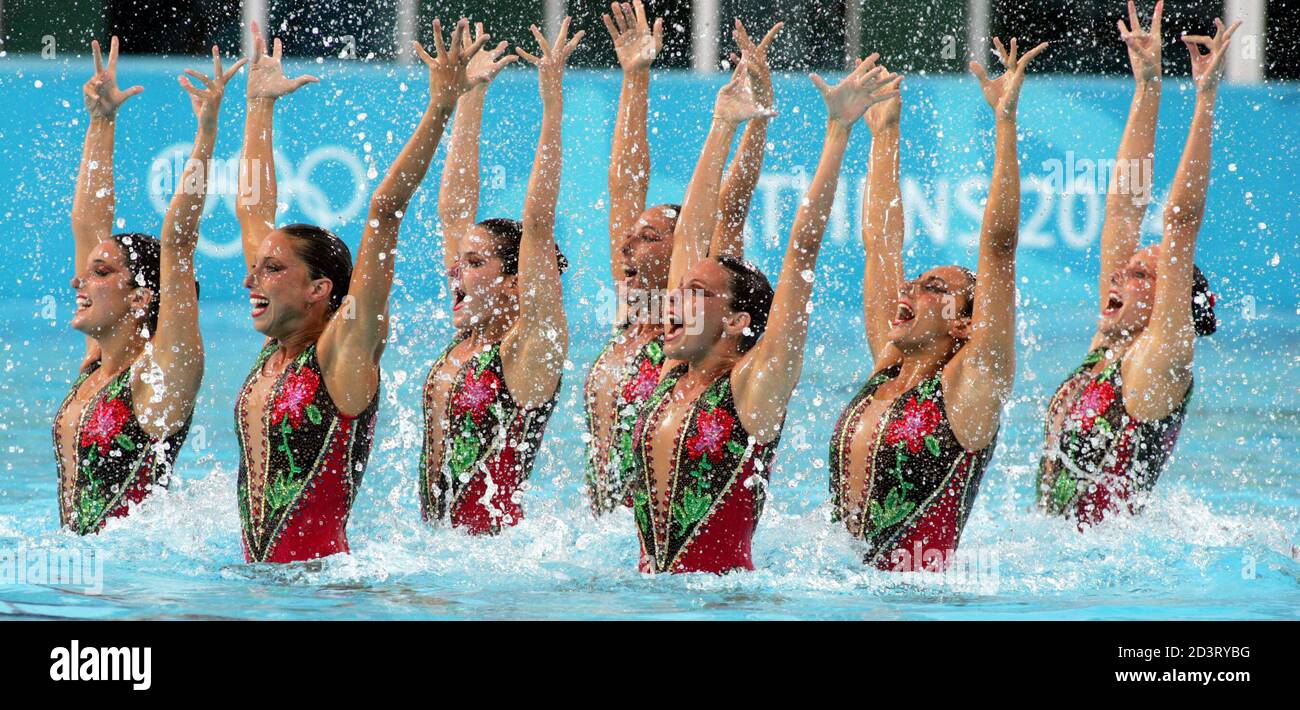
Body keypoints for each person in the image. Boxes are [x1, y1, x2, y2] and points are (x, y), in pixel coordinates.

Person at [625, 54, 901, 574]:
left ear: (735, 322)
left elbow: (801, 252)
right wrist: (723, 125)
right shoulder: (670, 373)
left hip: (726, 606)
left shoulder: (754, 386)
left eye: (697, 294)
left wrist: (838, 131)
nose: (674, 302)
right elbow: (690, 234)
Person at [234, 19, 483, 562]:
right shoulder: (279, 350)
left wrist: (442, 105)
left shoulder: (343, 348)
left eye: (272, 270)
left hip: (322, 595)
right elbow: (252, 210)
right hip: (263, 590)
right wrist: (259, 105)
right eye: (257, 268)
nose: (251, 280)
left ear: (319, 290)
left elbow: (385, 210)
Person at [827, 38, 1047, 571]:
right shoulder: (888, 363)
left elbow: (999, 248)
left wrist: (1005, 124)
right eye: (914, 284)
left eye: (935, 289)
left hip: (925, 602)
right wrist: (884, 134)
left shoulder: (972, 384)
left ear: (966, 324)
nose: (909, 291)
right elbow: (881, 244)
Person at [583, 4, 782, 516]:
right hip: (607, 534)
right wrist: (634, 77)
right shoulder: (634, 310)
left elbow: (729, 205)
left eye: (647, 237)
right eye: (628, 236)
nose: (625, 245)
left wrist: (755, 123)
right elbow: (623, 179)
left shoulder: (692, 326)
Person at [1038, 6, 1230, 528]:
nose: (1120, 275)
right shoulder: (1110, 343)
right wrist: (1148, 86)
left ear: (1170, 302)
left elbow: (1182, 223)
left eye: (1142, 275)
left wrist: (1205, 99)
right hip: (1060, 559)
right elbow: (1125, 204)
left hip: (1104, 582)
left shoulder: (1158, 362)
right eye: (1126, 269)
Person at [54, 38, 236, 534]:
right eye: (89, 269)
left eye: (101, 273)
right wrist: (101, 121)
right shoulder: (99, 360)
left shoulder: (160, 375)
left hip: (130, 593)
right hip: (94, 579)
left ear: (140, 298)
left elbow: (177, 242)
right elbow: (89, 224)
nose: (79, 279)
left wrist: (206, 136)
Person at [418, 20, 578, 535]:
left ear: (515, 280)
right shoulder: (470, 335)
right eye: (459, 260)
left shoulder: (529, 347)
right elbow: (454, 212)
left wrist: (552, 107)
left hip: (496, 567)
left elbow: (538, 225)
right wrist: (471, 96)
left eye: (474, 263)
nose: (452, 269)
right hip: (439, 556)